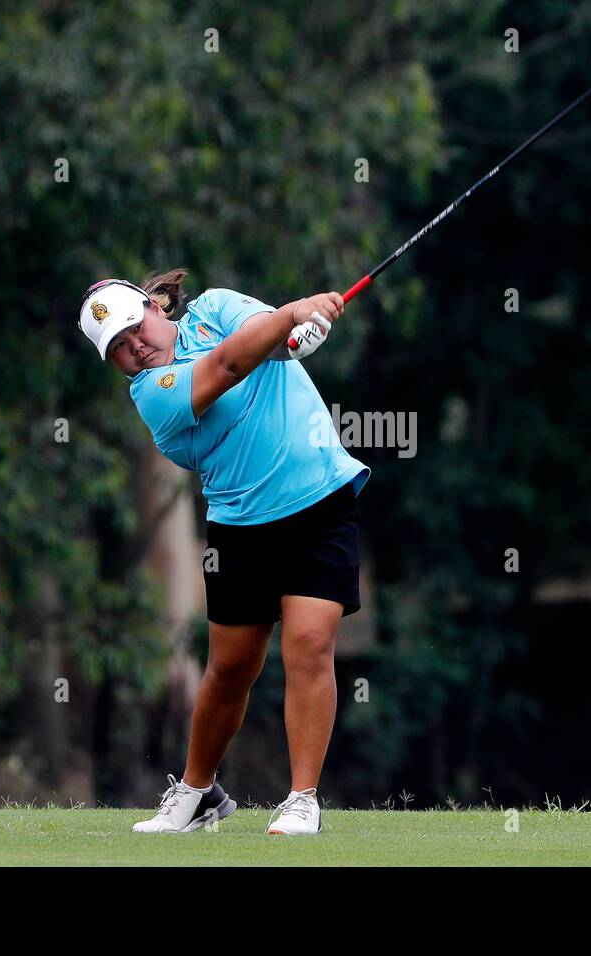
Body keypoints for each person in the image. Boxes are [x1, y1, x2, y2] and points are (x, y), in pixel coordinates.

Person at [77, 269, 368, 835]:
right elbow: (229, 365)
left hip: (319, 499)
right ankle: (197, 792)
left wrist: (298, 332)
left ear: (156, 309)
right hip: (241, 527)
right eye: (118, 349)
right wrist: (291, 314)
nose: (135, 347)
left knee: (308, 644)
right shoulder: (152, 396)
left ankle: (302, 798)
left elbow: (267, 338)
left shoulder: (214, 307)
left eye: (135, 329)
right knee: (231, 669)